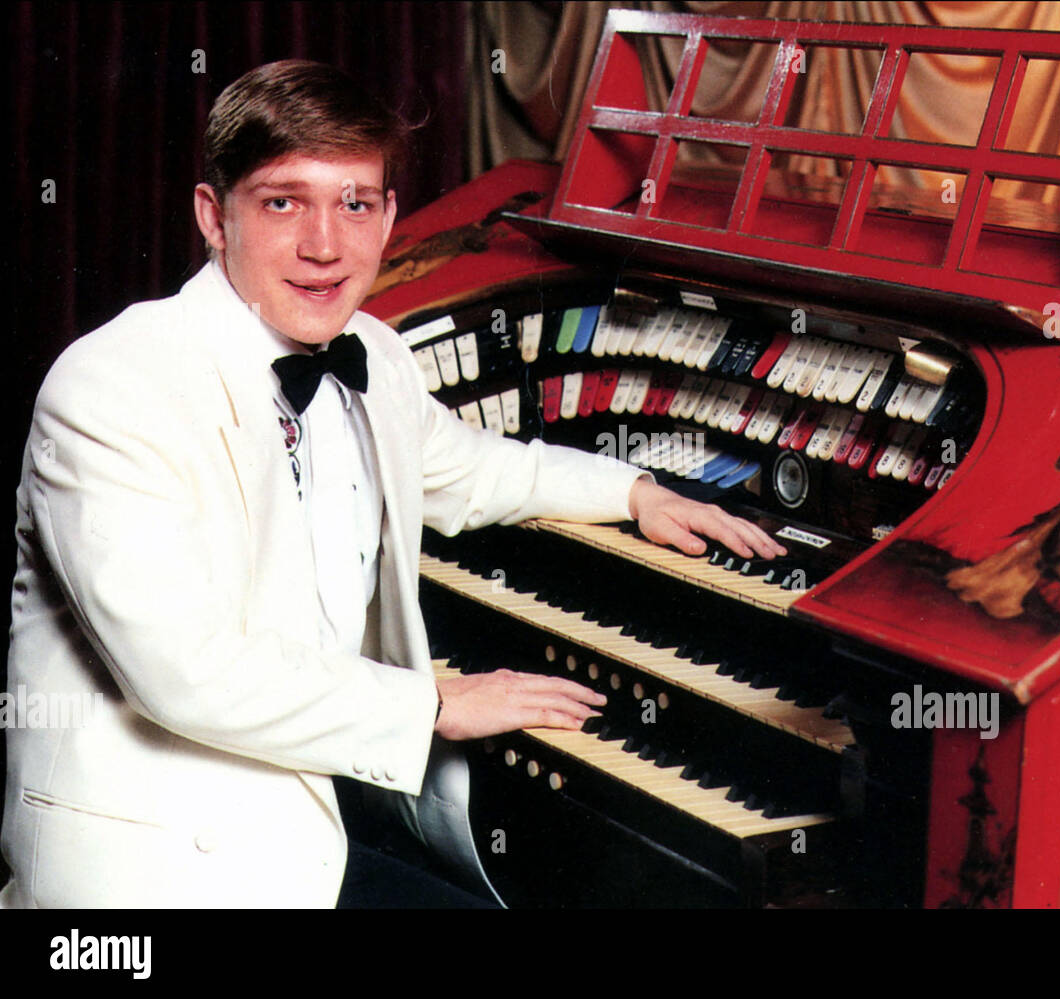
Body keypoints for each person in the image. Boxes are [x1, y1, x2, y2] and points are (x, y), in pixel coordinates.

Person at [1, 60, 783, 908]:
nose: (325, 246)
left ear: (388, 218)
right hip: (155, 872)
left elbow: (480, 469)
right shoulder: (111, 384)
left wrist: (635, 489)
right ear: (212, 218)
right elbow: (185, 671)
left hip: (306, 831)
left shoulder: (372, 354)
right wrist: (434, 703)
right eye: (281, 202)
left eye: (355, 203)